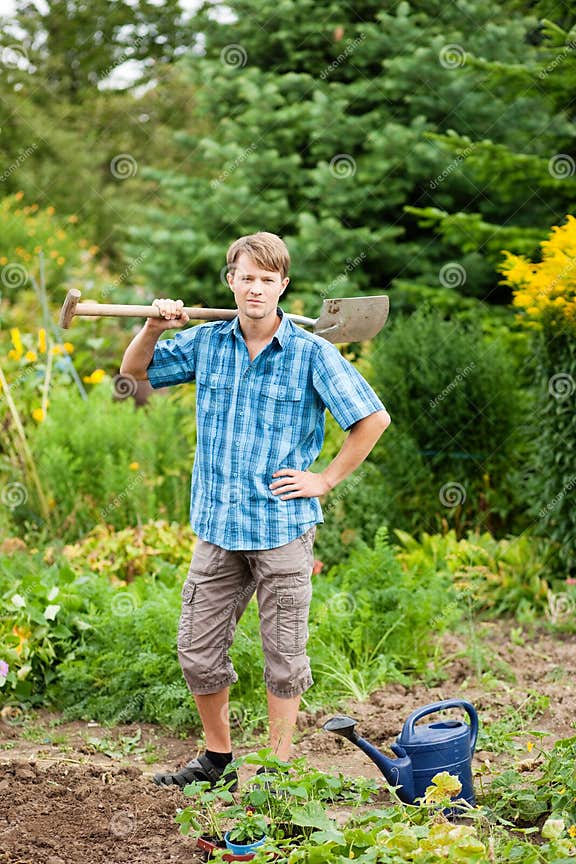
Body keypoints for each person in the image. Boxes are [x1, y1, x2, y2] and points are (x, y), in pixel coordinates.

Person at [120, 231, 390, 790]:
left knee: (284, 657)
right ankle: (217, 760)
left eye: (267, 279)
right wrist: (152, 325)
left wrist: (325, 479)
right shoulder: (207, 342)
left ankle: (277, 771)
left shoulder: (312, 351)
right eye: (247, 277)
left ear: (282, 286)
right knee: (196, 652)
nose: (256, 288)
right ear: (231, 282)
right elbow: (136, 372)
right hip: (218, 528)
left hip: (281, 529)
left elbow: (372, 419)